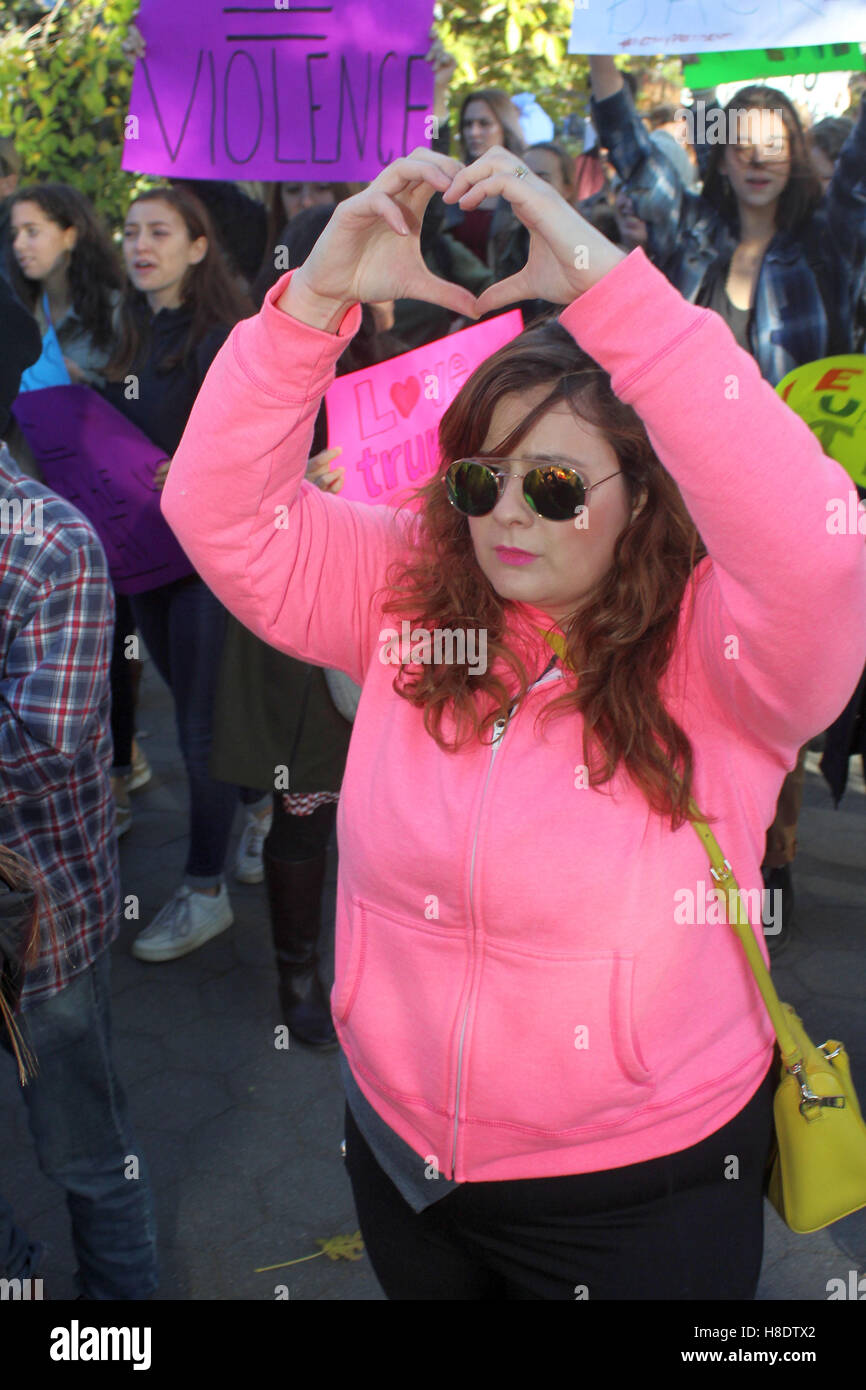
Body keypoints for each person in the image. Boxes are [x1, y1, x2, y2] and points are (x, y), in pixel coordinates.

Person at [160, 147, 866, 1300]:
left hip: (643, 1187)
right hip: (402, 1157)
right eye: (476, 482)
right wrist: (315, 300)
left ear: (641, 496)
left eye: (551, 485)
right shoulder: (408, 583)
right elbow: (217, 510)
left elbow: (814, 547)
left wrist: (614, 295)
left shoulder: (724, 649)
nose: (502, 515)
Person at [589, 58, 866, 927]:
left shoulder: (831, 239)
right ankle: (702, 849)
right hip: (684, 501)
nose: (756, 157)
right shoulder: (690, 238)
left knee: (774, 684)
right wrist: (605, 59)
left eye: (774, 140)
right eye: (739, 143)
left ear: (795, 152)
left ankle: (766, 867)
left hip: (788, 511)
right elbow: (631, 151)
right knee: (692, 672)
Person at [0, 274, 158, 1299]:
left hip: (40, 914)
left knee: (84, 1149)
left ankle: (121, 1313)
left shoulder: (48, 540)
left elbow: (51, 744)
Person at [100, 185, 263, 962]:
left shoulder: (220, 338)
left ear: (198, 247)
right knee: (188, 702)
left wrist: (194, 468)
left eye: (160, 231)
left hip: (207, 561)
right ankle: (263, 805)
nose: (141, 244)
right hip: (147, 557)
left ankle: (205, 892)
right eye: (131, 230)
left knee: (200, 727)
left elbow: (263, 439)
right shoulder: (130, 331)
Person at [7, 184, 124, 388]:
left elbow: (136, 391)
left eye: (32, 231)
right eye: (15, 233)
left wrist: (90, 385)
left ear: (70, 236)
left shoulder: (116, 310)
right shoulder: (14, 312)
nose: (18, 244)